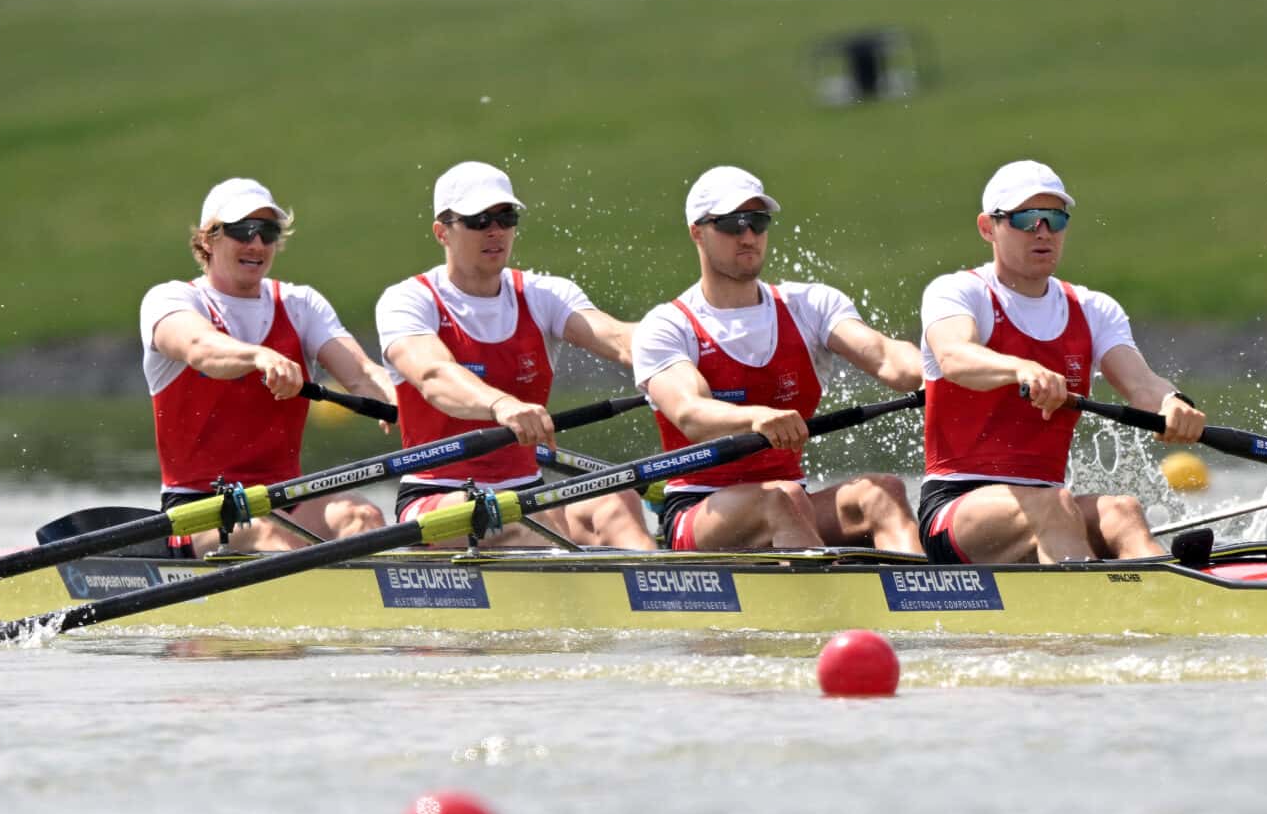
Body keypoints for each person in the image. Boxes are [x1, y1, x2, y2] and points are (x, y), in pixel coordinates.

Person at [919, 159, 1206, 564]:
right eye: (1026, 219)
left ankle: (1176, 595)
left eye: (1055, 219)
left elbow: (1141, 384)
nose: (1043, 232)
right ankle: (1095, 599)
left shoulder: (1093, 309)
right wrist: (1021, 368)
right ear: (988, 228)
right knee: (1054, 505)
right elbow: (954, 356)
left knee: (1122, 511)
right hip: (955, 508)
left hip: (1051, 504)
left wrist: (1172, 402)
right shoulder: (957, 292)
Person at [633, 166, 925, 551]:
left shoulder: (810, 305)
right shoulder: (669, 325)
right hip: (700, 510)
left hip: (793, 499)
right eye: (732, 224)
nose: (748, 236)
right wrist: (757, 417)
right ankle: (831, 586)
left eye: (758, 221)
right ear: (697, 232)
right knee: (779, 499)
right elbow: (691, 414)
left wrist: (938, 370)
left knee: (883, 492)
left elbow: (888, 358)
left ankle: (918, 588)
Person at [376, 161, 655, 549]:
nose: (495, 231)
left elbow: (620, 339)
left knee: (618, 501)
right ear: (442, 232)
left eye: (506, 218)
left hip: (527, 494)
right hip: (437, 499)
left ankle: (659, 584)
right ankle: (582, 574)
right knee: (516, 515)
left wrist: (685, 352)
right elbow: (433, 376)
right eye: (479, 220)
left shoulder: (544, 295)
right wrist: (500, 405)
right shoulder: (408, 301)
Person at [141, 177, 395, 554]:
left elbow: (362, 373)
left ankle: (354, 591)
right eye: (242, 230)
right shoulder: (171, 300)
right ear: (208, 239)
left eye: (268, 232)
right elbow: (200, 348)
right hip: (197, 508)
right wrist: (259, 356)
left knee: (362, 517)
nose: (257, 244)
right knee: (268, 533)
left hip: (284, 497)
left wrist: (401, 398)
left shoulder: (300, 304)